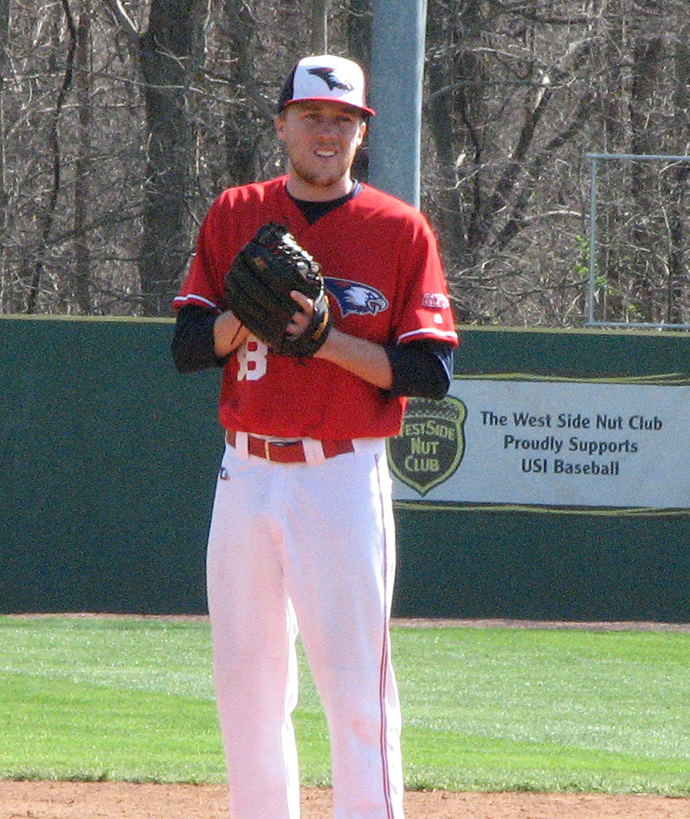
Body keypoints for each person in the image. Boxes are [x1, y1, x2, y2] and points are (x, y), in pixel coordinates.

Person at [171, 54, 458, 819]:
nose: (327, 133)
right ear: (282, 125)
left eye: (344, 121)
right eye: (312, 117)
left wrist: (325, 338)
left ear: (361, 133)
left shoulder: (400, 229)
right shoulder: (237, 212)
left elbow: (430, 372)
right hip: (246, 475)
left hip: (341, 477)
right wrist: (243, 317)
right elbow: (188, 346)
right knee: (247, 685)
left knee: (356, 690)